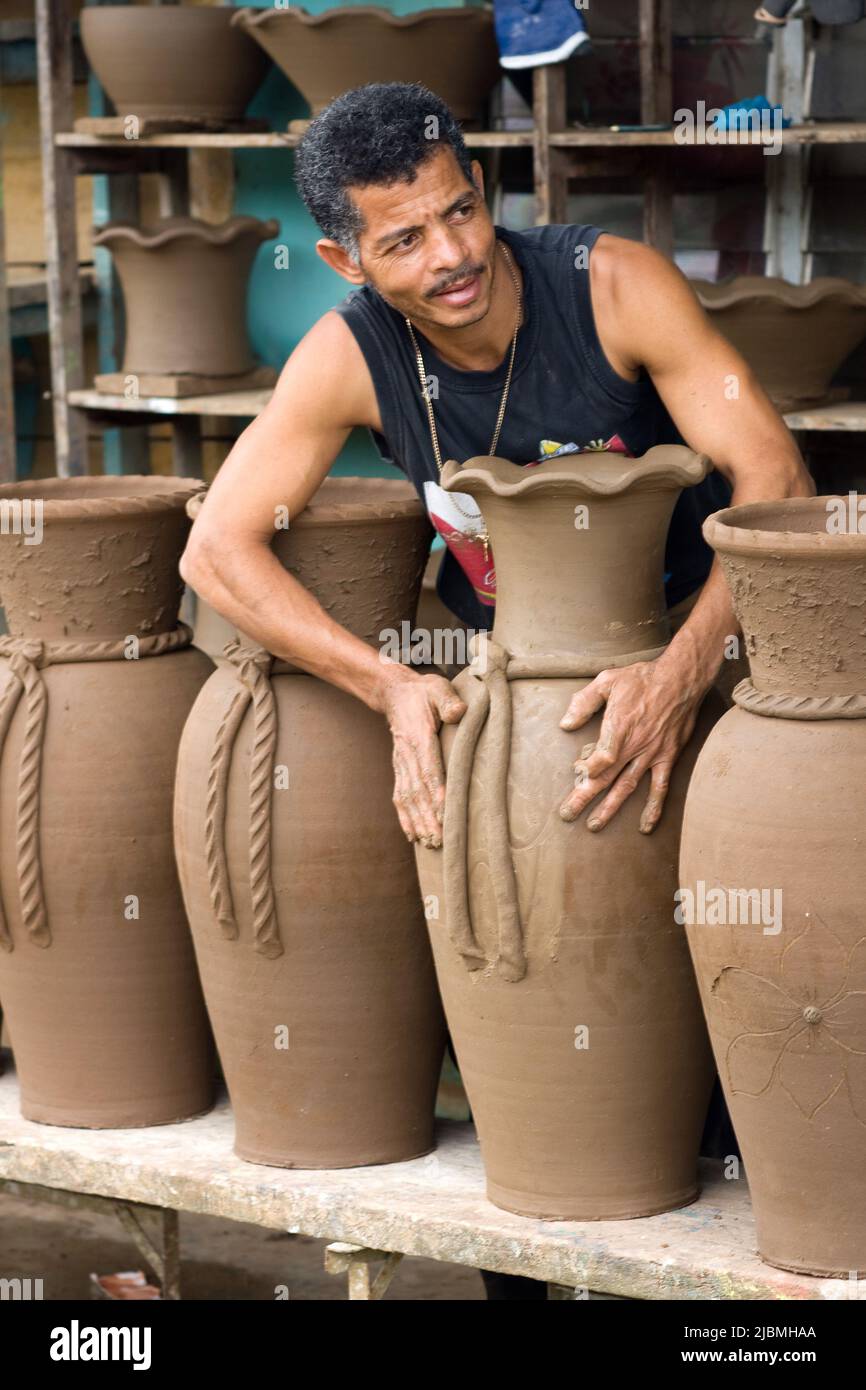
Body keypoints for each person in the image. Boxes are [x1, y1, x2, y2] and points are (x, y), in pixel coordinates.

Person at [181, 82, 812, 1298]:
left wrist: (682, 672)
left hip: (704, 663)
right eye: (405, 238)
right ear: (343, 257)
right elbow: (217, 548)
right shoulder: (351, 354)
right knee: (547, 1076)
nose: (453, 255)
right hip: (511, 709)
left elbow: (771, 473)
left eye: (461, 210)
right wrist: (387, 688)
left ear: (486, 188)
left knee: (727, 1067)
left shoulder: (609, 285)